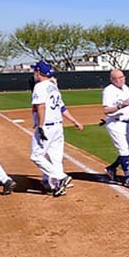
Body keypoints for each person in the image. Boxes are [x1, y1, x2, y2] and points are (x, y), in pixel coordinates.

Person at [30, 60, 84, 196]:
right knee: (55, 158)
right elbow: (62, 108)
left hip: (47, 127)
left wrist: (40, 126)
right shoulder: (53, 87)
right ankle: (58, 187)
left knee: (36, 156)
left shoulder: (40, 86)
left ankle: (61, 177)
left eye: (35, 71)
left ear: (38, 72)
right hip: (58, 126)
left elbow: (40, 106)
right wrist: (74, 121)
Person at [101, 69, 129, 190]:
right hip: (115, 123)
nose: (121, 79)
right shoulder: (109, 90)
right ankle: (127, 178)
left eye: (122, 77)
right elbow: (106, 110)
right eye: (118, 78)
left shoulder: (126, 88)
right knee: (124, 150)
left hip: (126, 123)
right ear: (112, 80)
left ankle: (111, 168)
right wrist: (120, 106)